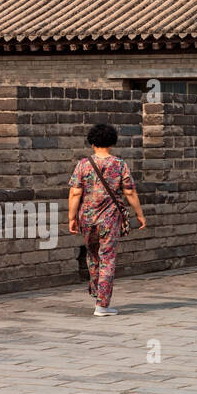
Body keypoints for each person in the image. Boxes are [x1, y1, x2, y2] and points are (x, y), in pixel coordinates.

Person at [68, 123, 147, 316]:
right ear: (112, 143)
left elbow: (75, 192)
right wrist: (139, 214)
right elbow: (130, 191)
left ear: (92, 142)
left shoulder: (83, 164)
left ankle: (97, 294)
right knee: (107, 258)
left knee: (93, 255)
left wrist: (71, 217)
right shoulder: (119, 165)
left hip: (86, 218)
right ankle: (102, 304)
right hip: (109, 219)